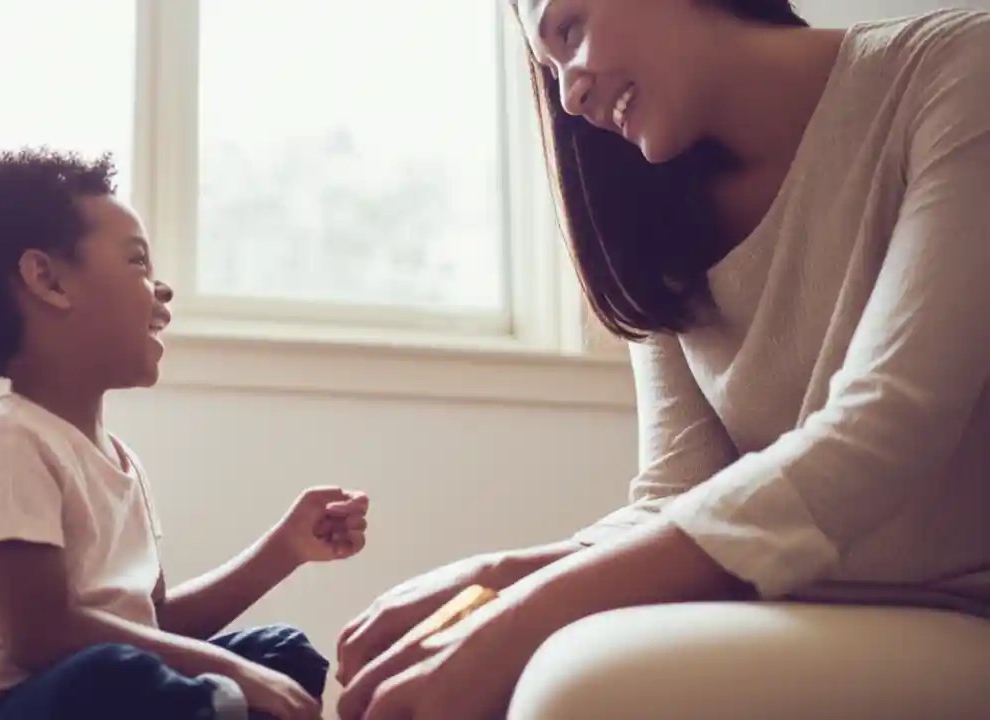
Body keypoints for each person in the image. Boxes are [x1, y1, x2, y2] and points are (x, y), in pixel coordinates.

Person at [336, 2, 990, 718]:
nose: (568, 96)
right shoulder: (654, 214)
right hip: (803, 607)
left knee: (571, 684)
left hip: (965, 611)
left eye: (571, 29)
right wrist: (499, 580)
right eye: (548, 68)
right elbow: (674, 498)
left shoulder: (957, 68)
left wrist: (524, 614)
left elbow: (883, 432)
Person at [0, 148, 370, 720]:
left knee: (280, 653)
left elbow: (151, 625)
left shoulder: (117, 460)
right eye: (138, 262)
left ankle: (218, 706)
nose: (161, 292)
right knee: (123, 675)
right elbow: (41, 635)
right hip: (3, 710)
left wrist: (283, 551)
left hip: (102, 685)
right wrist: (231, 673)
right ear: (48, 279)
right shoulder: (6, 443)